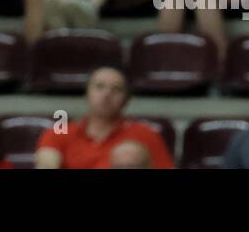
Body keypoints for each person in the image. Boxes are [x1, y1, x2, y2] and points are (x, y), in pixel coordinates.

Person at [35, 66, 174, 169]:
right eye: (99, 86)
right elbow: (46, 163)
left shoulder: (146, 135)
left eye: (116, 89)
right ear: (86, 94)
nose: (107, 94)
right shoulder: (60, 131)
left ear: (126, 99)